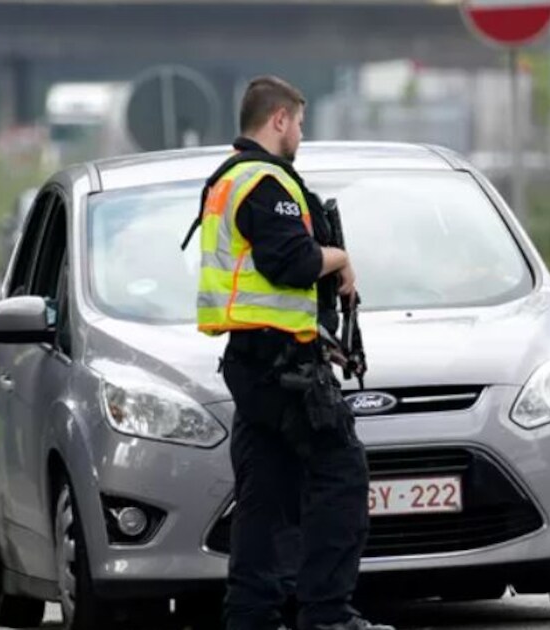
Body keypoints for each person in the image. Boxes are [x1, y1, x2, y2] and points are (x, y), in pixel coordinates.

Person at [193, 76, 392, 630]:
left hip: (254, 360)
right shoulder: (264, 180)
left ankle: (251, 615)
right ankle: (327, 615)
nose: (301, 134)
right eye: (300, 123)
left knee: (266, 492)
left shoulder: (229, 178)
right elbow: (293, 264)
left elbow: (266, 285)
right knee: (342, 475)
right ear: (279, 119)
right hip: (283, 366)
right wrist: (340, 257)